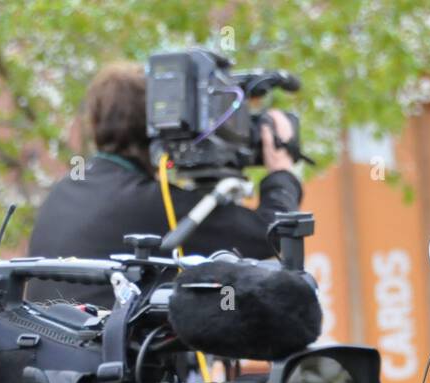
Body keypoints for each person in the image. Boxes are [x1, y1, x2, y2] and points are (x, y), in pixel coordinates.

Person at [25, 62, 303, 308]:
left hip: (50, 358)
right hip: (111, 363)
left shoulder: (64, 190)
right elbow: (269, 234)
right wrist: (281, 169)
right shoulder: (148, 203)